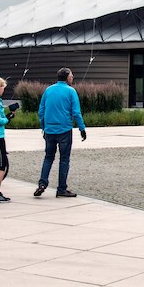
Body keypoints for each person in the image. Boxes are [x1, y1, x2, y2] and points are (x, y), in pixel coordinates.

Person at [35, 67, 86, 197]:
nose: (73, 77)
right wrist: (82, 128)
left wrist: (44, 127)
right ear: (67, 77)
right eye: (71, 76)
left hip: (50, 129)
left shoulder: (48, 90)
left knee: (48, 158)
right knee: (64, 159)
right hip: (64, 129)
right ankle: (61, 188)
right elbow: (76, 112)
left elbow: (41, 110)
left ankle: (42, 183)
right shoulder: (71, 91)